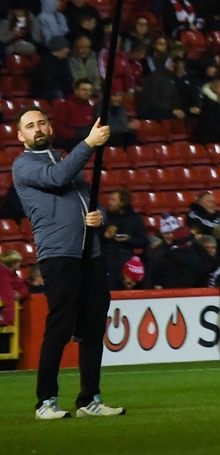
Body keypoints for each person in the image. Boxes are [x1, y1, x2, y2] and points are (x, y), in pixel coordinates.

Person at [10, 107, 124, 418]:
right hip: (59, 255)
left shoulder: (63, 158)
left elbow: (89, 199)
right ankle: (45, 401)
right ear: (20, 136)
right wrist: (89, 143)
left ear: (49, 126)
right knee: (59, 327)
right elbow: (57, 179)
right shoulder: (23, 165)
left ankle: (90, 399)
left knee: (92, 327)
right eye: (30, 126)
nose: (38, 129)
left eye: (42, 123)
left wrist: (100, 215)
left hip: (91, 253)